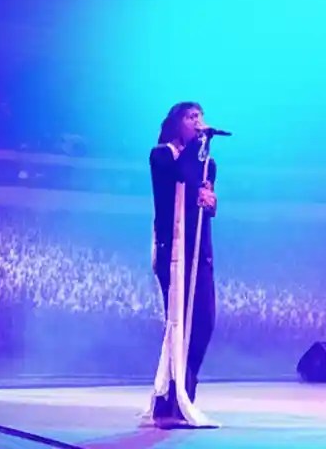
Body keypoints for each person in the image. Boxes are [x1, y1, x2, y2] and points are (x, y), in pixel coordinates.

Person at [145, 102, 219, 428]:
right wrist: (199, 146)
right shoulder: (162, 156)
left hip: (200, 250)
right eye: (192, 117)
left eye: (201, 117)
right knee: (178, 323)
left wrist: (211, 202)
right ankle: (173, 398)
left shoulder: (207, 164)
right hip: (173, 250)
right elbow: (180, 176)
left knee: (204, 320)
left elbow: (201, 199)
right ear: (177, 123)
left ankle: (183, 392)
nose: (199, 122)